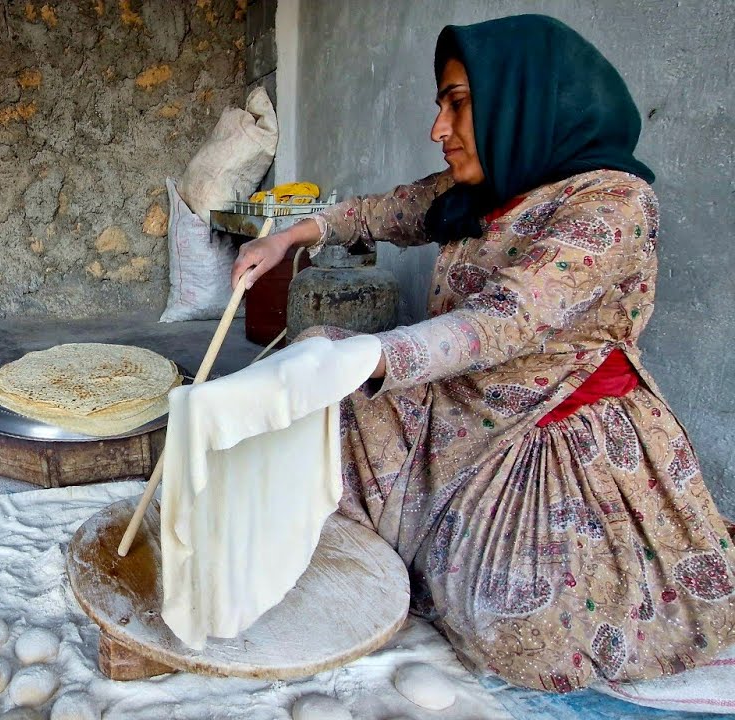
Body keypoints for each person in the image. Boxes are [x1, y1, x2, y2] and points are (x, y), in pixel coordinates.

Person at [233, 15, 735, 692]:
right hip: (459, 405)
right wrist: (288, 238)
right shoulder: (487, 184)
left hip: (550, 431)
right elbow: (390, 211)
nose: (439, 128)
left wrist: (374, 357)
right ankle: (401, 545)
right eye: (442, 105)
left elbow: (507, 320)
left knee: (516, 629)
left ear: (525, 98)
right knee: (316, 369)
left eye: (458, 104)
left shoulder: (612, 203)